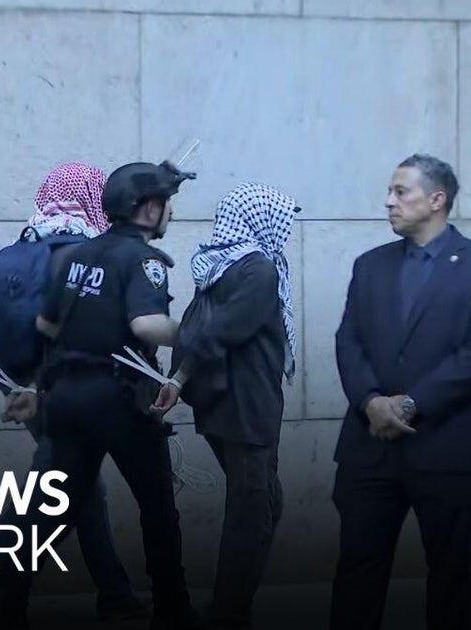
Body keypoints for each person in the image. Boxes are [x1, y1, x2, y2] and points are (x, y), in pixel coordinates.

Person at [0, 160, 201, 630]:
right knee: (157, 509)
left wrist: (32, 387)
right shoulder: (145, 260)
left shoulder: (73, 257)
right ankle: (174, 611)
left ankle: (5, 607)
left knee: (51, 510)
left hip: (65, 400)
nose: (170, 213)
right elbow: (146, 324)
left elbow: (46, 326)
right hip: (118, 400)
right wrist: (197, 332)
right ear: (147, 210)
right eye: (166, 203)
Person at [331, 154, 471, 630]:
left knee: (450, 577)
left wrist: (410, 404)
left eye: (400, 192)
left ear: (437, 200)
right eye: (390, 191)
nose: (388, 201)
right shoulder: (369, 265)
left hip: (450, 447)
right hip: (370, 448)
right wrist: (372, 401)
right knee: (356, 572)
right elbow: (348, 340)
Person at [1, 161, 148, 622]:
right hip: (74, 391)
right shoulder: (86, 252)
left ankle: (114, 592)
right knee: (59, 492)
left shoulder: (21, 247)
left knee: (80, 489)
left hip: (26, 388)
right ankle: (2, 586)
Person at [170, 182, 299, 629]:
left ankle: (232, 602)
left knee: (267, 502)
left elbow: (208, 329)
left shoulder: (220, 264)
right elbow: (222, 331)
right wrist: (179, 376)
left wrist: (181, 377)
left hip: (228, 404)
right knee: (251, 511)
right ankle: (229, 611)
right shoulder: (258, 269)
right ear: (260, 218)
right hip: (248, 407)